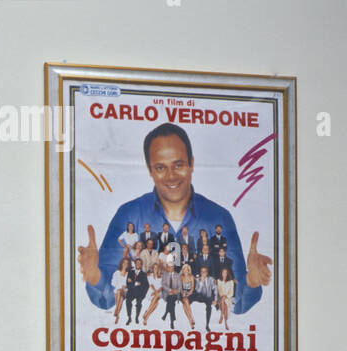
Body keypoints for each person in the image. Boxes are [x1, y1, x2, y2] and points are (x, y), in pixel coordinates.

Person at [77, 122, 271, 317]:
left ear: (192, 164)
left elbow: (236, 303)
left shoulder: (219, 218)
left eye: (178, 165)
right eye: (161, 167)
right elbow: (107, 299)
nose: (171, 176)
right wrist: (94, 276)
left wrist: (251, 282)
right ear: (149, 169)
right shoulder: (129, 214)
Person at [191, 264, 217, 328]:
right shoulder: (197, 279)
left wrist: (216, 300)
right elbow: (198, 291)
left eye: (205, 271)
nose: (203, 273)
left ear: (207, 273)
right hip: (200, 297)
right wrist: (201, 282)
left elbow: (215, 290)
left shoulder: (211, 279)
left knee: (209, 305)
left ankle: (207, 324)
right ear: (200, 272)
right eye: (202, 271)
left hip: (208, 297)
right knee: (197, 296)